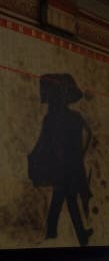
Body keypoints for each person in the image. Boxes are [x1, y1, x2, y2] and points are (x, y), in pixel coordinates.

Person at [28, 74, 93, 246]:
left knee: (65, 201)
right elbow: (44, 143)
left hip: (65, 168)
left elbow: (85, 137)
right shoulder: (63, 118)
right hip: (64, 169)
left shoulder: (68, 118)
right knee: (65, 201)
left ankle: (57, 232)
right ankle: (64, 233)